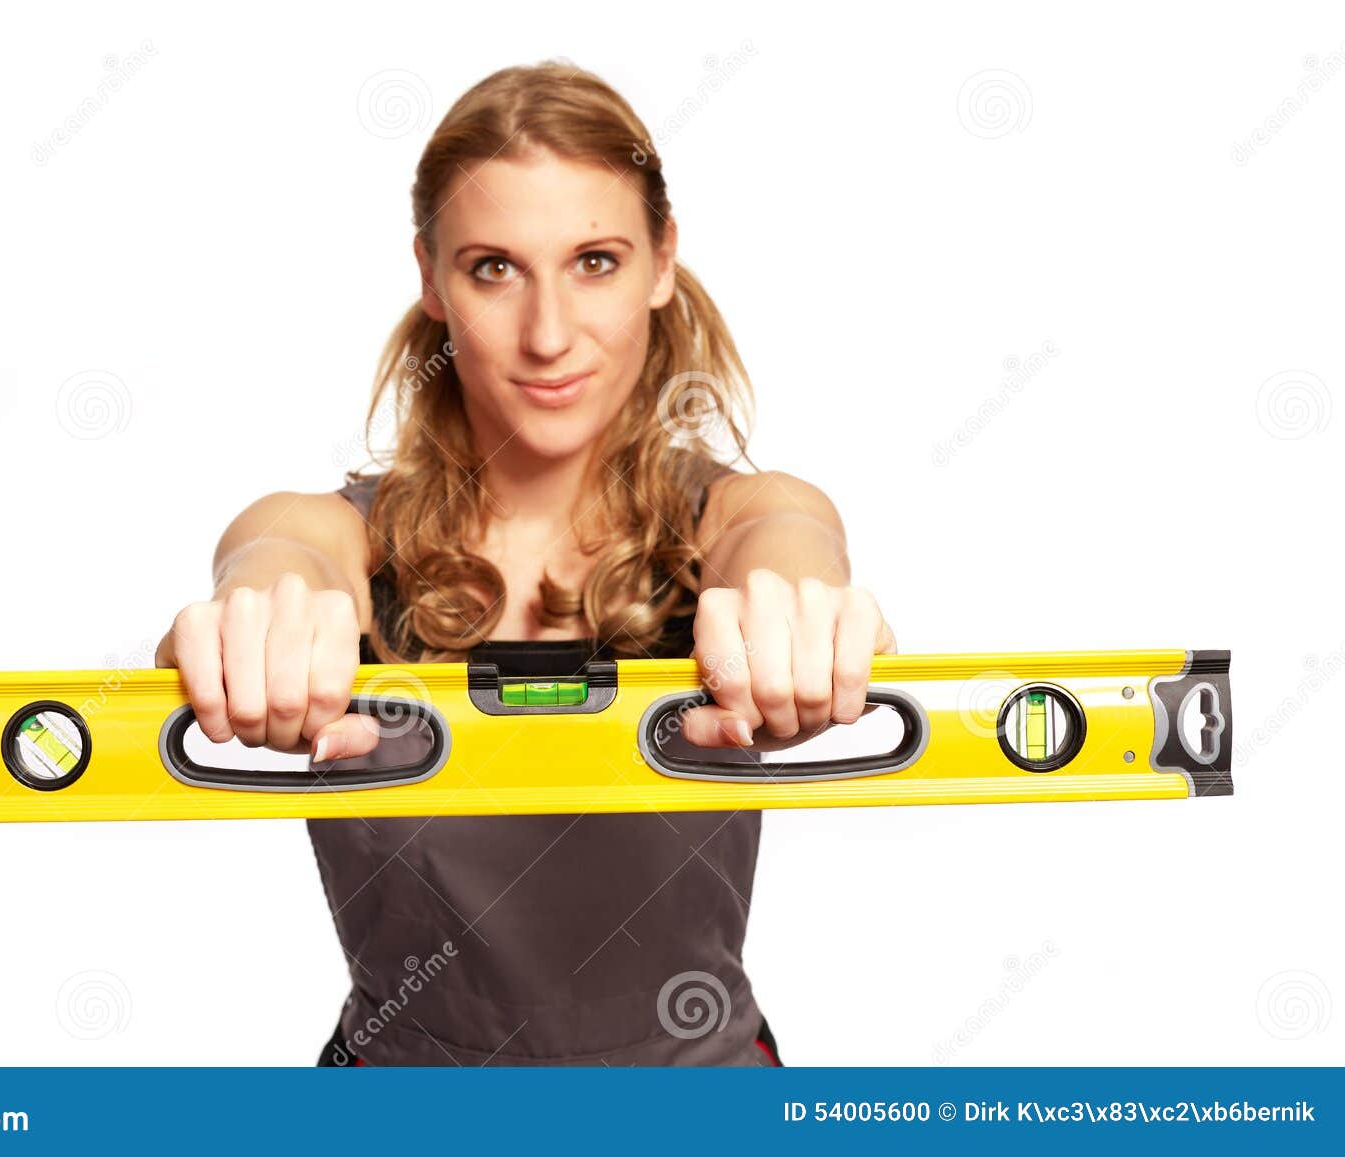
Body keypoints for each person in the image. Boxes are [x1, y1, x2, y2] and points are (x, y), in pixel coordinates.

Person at [155, 60, 896, 1066]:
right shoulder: (343, 536)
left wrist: (798, 600)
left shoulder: (733, 519)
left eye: (594, 260)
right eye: (493, 268)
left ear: (662, 261)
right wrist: (261, 610)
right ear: (430, 279)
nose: (548, 335)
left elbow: (787, 533)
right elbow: (279, 548)